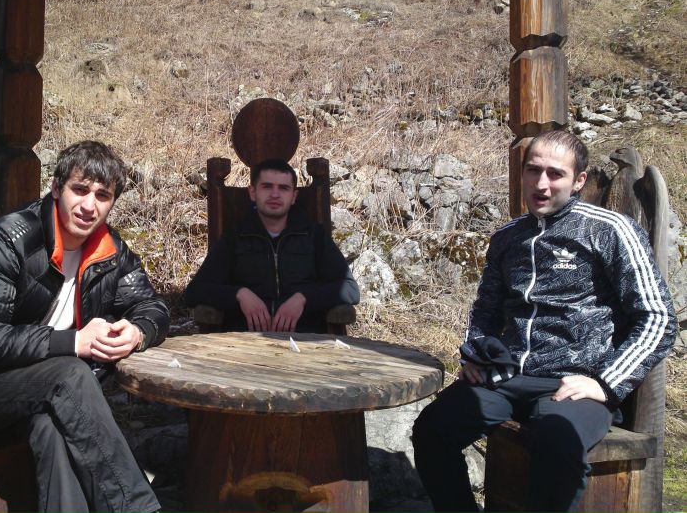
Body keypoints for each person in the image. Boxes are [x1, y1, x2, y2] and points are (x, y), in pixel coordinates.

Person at [411, 130, 676, 513]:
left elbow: (657, 317)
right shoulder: (507, 237)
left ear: (578, 181)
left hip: (574, 385)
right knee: (433, 428)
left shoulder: (610, 230)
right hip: (506, 378)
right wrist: (475, 355)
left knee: (557, 442)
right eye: (533, 170)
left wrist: (605, 382)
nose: (541, 183)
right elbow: (485, 309)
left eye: (555, 174)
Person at [0, 141, 170, 513]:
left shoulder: (110, 250)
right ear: (56, 188)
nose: (89, 206)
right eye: (79, 190)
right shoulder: (8, 241)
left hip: (44, 393)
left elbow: (152, 305)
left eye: (102, 196)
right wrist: (74, 341)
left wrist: (138, 331)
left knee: (51, 427)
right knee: (68, 374)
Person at [185, 158, 359, 333]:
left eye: (283, 188)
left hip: (306, 336)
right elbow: (195, 291)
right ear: (253, 192)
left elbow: (350, 289)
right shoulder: (235, 237)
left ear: (294, 196)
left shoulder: (313, 236)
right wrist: (239, 295)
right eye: (267, 186)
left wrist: (304, 299)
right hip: (244, 337)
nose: (275, 194)